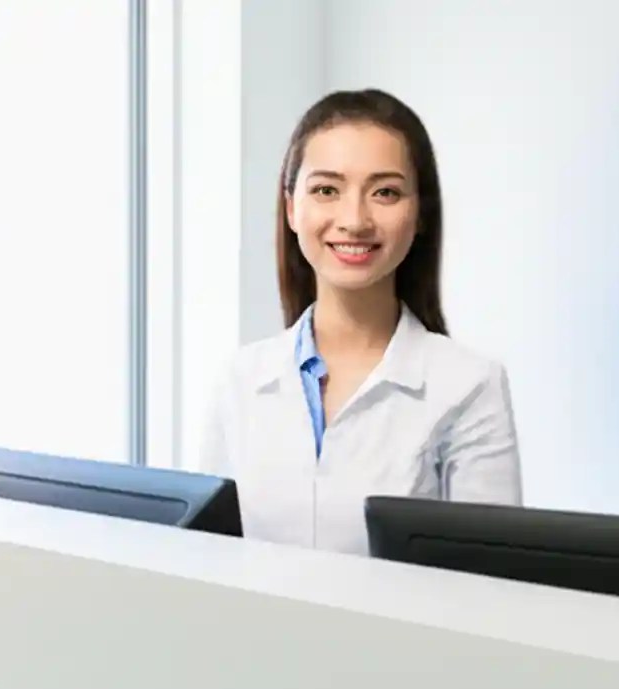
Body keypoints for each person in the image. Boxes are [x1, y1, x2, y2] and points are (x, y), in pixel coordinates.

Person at [199, 89, 522, 555]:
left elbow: (491, 584)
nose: (354, 220)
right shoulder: (240, 380)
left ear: (420, 212)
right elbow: (209, 563)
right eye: (326, 190)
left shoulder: (471, 387)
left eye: (385, 192)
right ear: (292, 208)